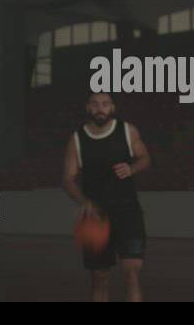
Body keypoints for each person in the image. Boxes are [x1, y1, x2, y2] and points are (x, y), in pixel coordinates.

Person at [62, 92, 151, 302]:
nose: (100, 108)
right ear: (88, 108)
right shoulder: (77, 139)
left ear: (112, 108)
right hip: (96, 217)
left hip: (128, 213)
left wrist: (132, 168)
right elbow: (68, 179)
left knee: (132, 272)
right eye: (94, 104)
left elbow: (145, 158)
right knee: (99, 278)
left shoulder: (127, 131)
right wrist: (84, 202)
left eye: (105, 104)